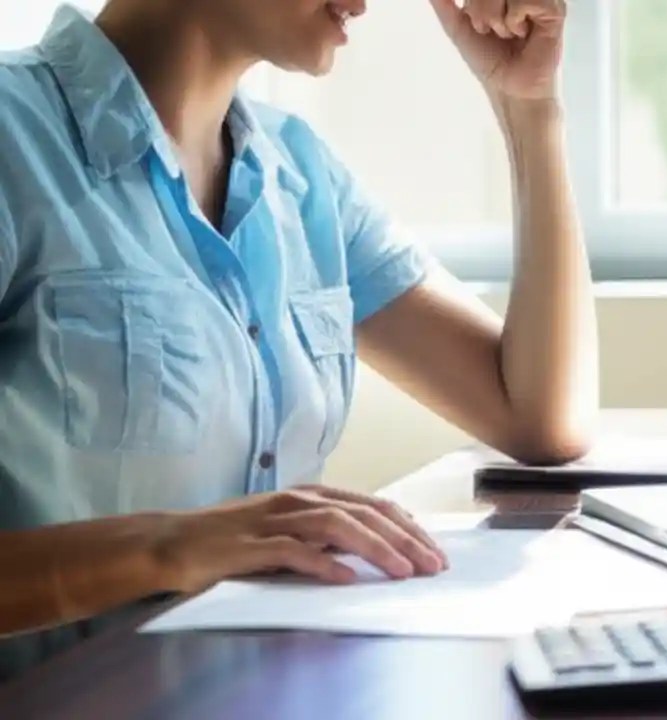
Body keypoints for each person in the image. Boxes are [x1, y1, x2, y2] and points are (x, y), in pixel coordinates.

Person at [0, 0, 597, 681]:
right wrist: (171, 546)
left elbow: (540, 417)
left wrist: (529, 110)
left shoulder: (301, 174)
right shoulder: (13, 138)